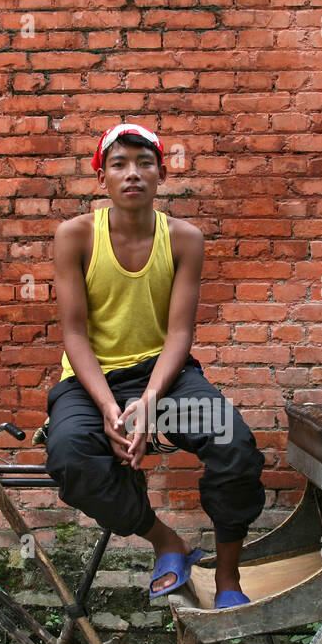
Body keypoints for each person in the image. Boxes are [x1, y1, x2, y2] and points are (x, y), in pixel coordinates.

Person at [44, 122, 264, 608]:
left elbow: (180, 335)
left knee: (236, 445)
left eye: (145, 163)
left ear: (161, 174)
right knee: (70, 458)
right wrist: (108, 406)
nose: (133, 174)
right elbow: (74, 333)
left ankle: (228, 578)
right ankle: (169, 542)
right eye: (119, 164)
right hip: (89, 382)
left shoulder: (184, 239)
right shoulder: (75, 236)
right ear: (102, 178)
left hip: (165, 379)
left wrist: (148, 402)